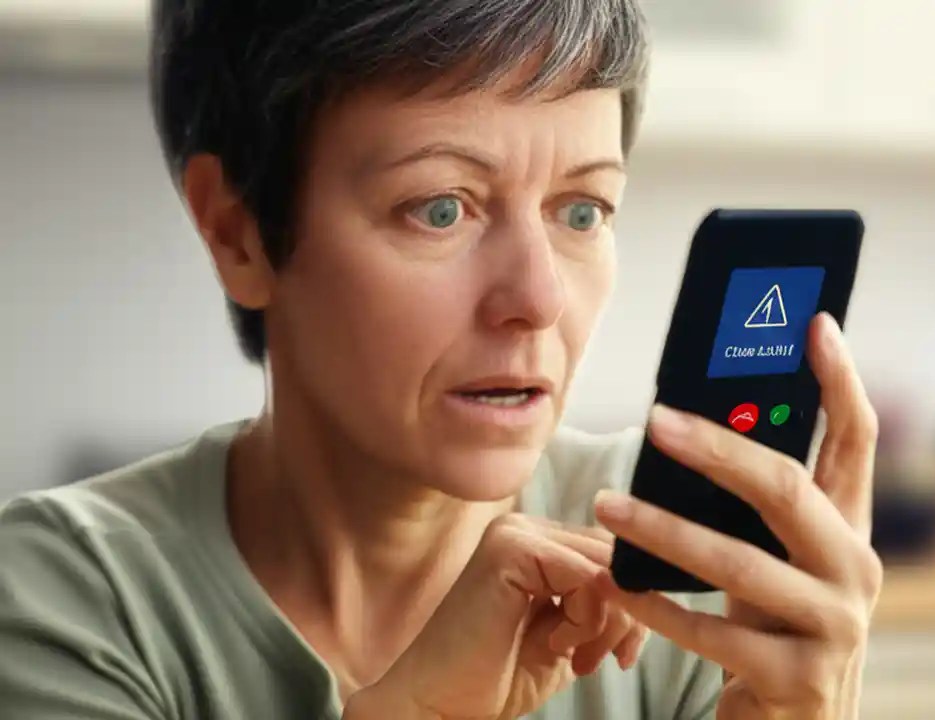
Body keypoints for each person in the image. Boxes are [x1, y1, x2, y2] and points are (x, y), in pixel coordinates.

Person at [0, 1, 883, 718]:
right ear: (237, 233)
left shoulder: (682, 561)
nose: (538, 299)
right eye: (440, 208)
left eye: (582, 212)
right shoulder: (64, 597)